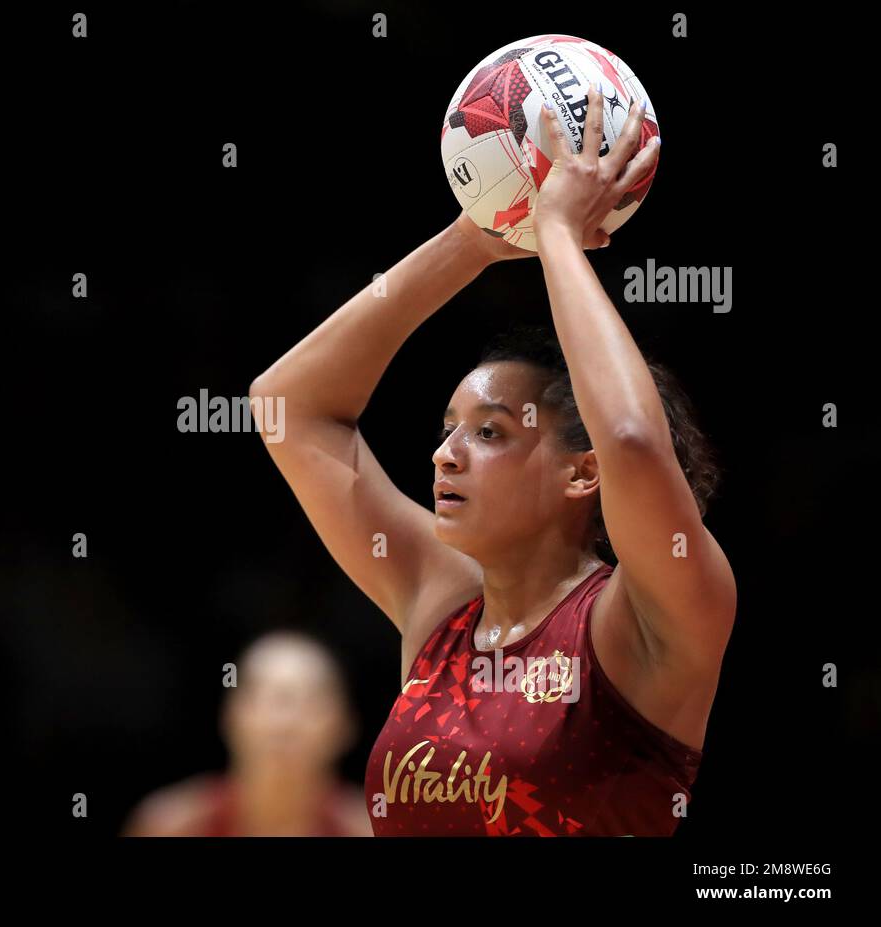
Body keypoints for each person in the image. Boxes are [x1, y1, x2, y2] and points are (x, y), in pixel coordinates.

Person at [248, 87, 735, 835]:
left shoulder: (648, 614)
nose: (444, 454)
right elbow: (287, 407)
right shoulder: (441, 602)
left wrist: (561, 236)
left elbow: (634, 439)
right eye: (449, 428)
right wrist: (475, 237)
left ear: (582, 470)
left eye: (491, 431)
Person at [122, 631, 372, 836]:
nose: (284, 723)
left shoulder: (372, 831)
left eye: (310, 702)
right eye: (264, 698)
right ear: (229, 716)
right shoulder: (169, 826)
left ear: (346, 726)